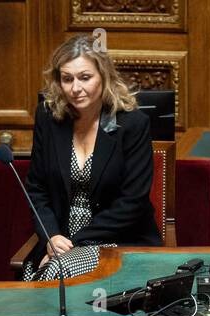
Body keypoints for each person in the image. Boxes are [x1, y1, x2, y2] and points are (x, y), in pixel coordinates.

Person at [23, 36, 162, 281]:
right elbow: (37, 189)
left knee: (56, 272)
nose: (75, 88)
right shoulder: (49, 117)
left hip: (115, 238)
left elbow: (132, 202)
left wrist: (73, 244)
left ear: (103, 76)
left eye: (85, 77)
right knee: (31, 272)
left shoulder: (130, 124)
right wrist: (51, 237)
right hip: (59, 237)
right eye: (67, 79)